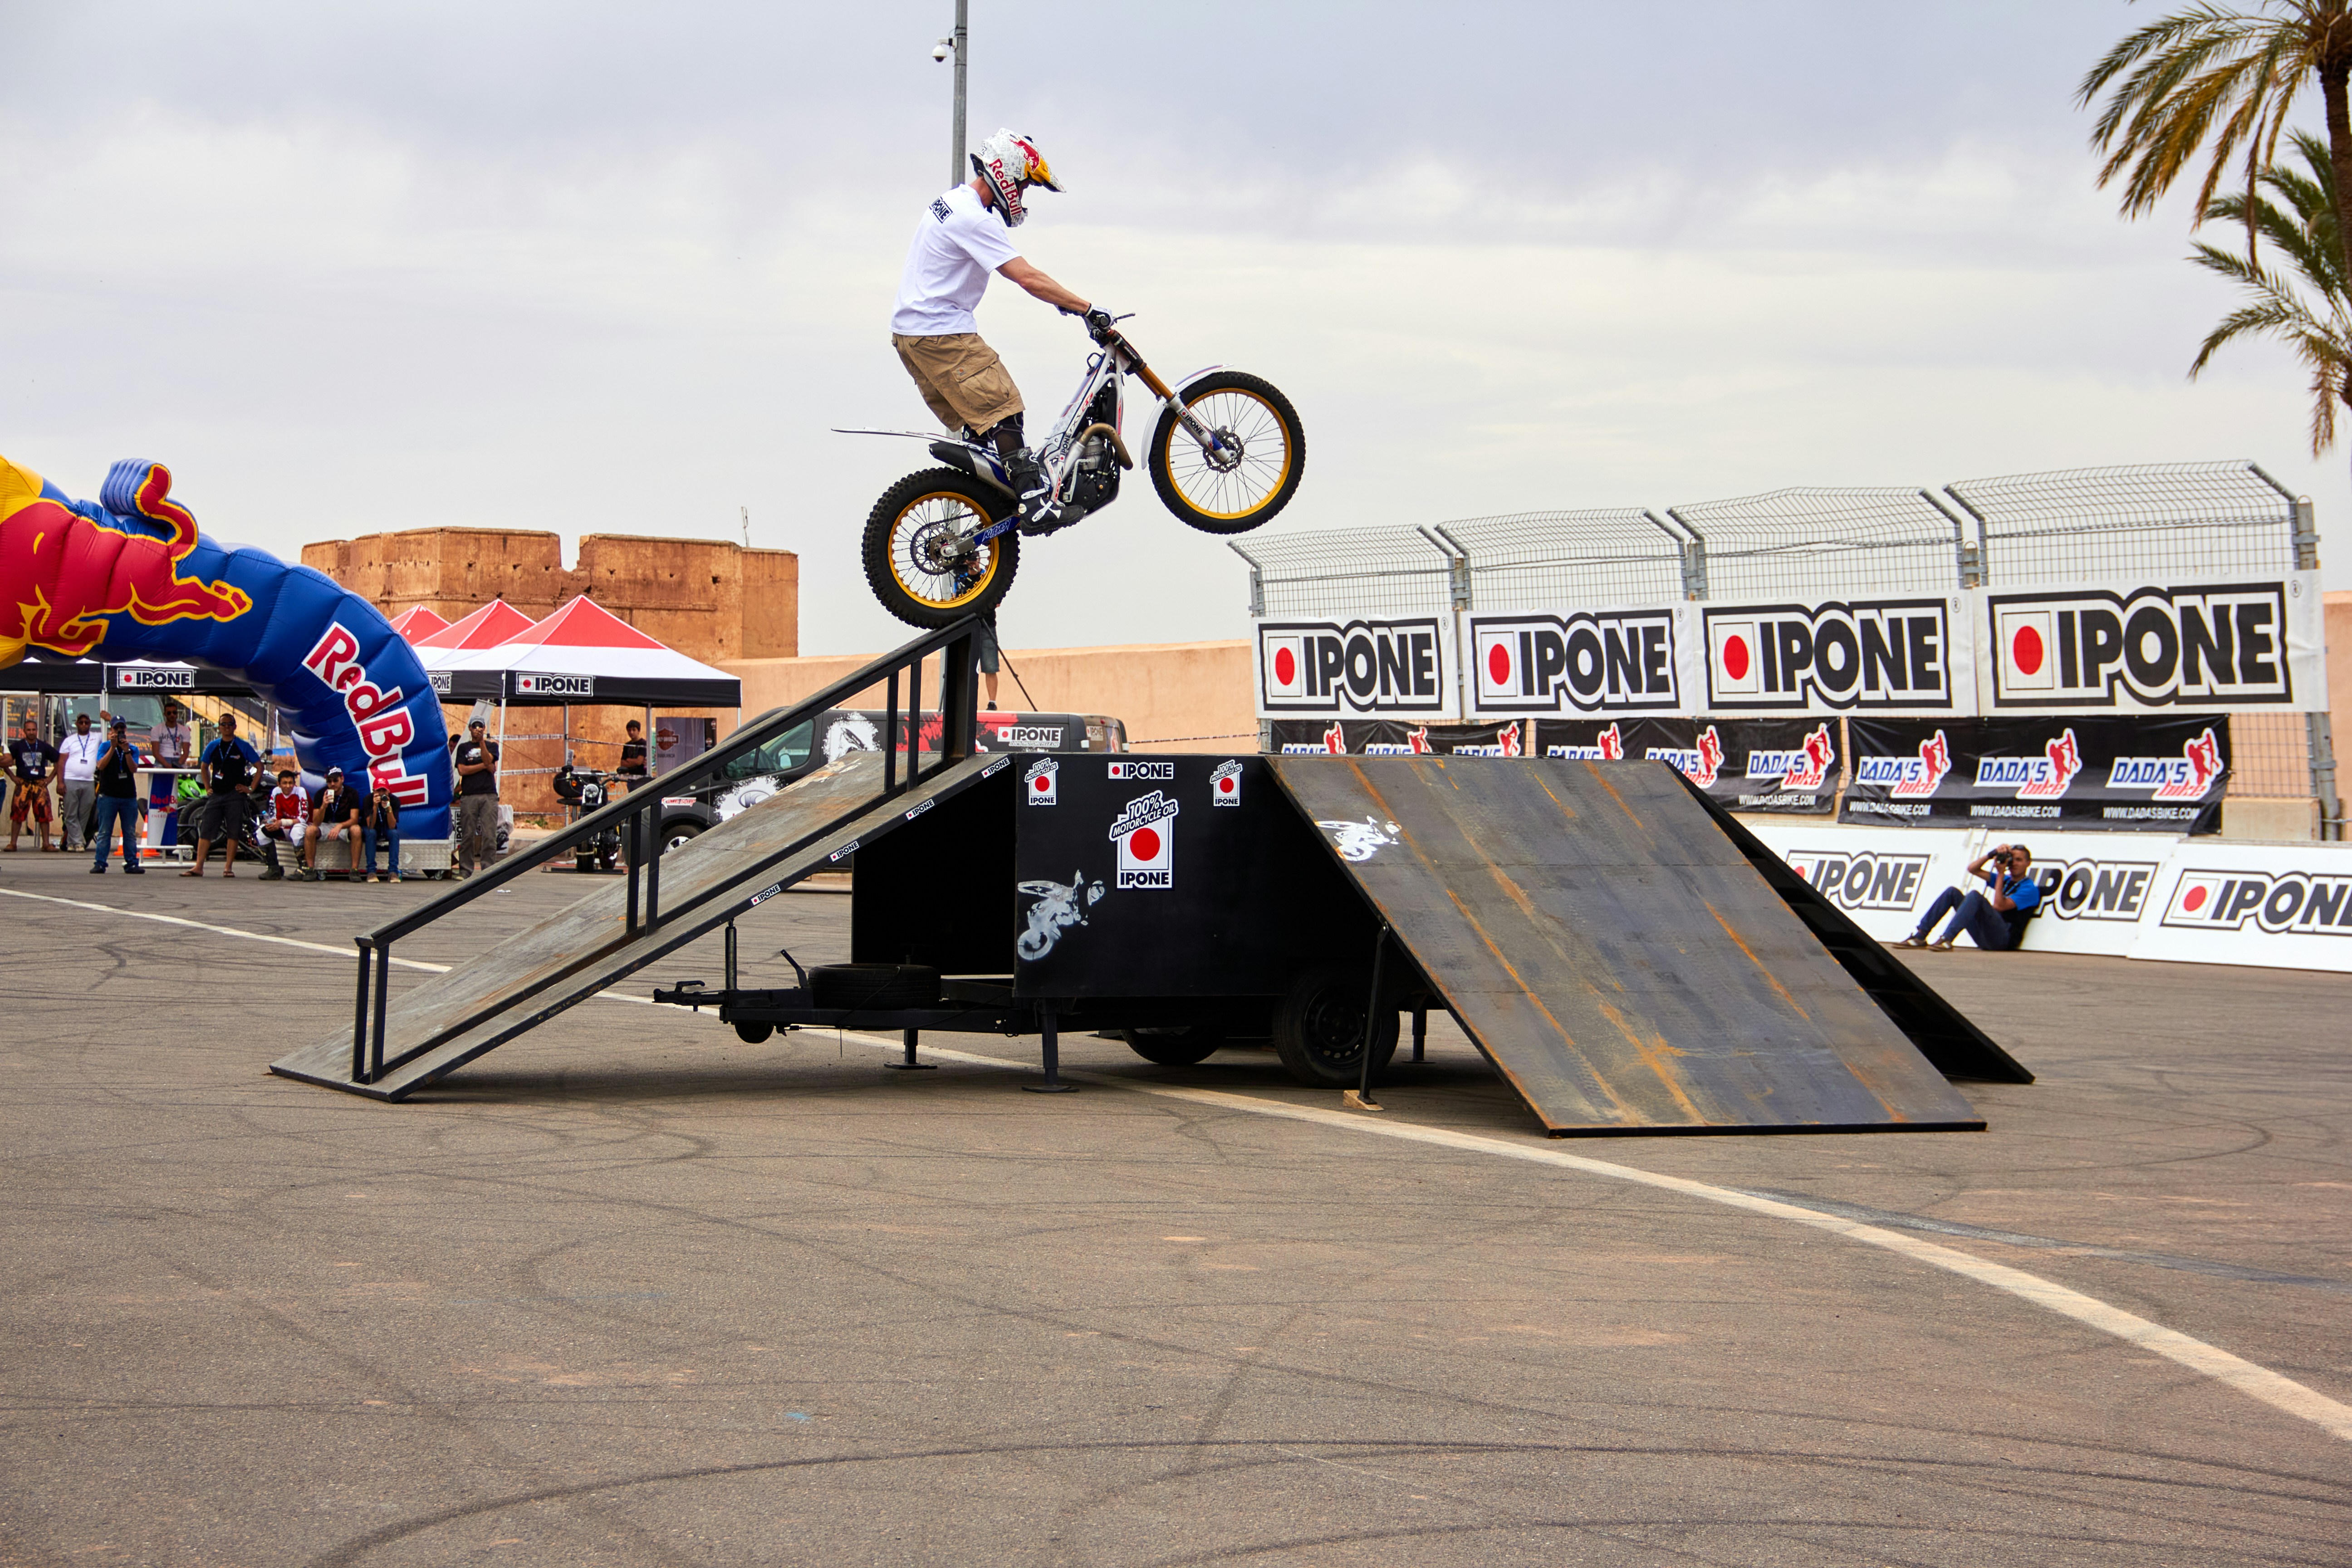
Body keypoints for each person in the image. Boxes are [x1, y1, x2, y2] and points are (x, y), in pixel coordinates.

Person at [892, 127, 1103, 531]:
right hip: (940, 334)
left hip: (910, 335)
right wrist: (1086, 308)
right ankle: (1036, 504)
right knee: (1004, 409)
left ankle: (982, 521)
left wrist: (1062, 301)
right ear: (1005, 171)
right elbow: (1026, 277)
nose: (1023, 195)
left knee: (984, 434)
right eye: (1024, 184)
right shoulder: (974, 219)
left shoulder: (952, 202)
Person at [1898, 843, 2043, 952]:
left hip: (2003, 940)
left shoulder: (2029, 889)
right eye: (2012, 860)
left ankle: (1947, 939)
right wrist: (1992, 854)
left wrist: (2000, 874)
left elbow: (1999, 906)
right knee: (1952, 892)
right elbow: (1972, 869)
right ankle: (1920, 935)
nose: (2014, 864)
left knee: (1974, 896)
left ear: (2028, 863)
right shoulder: (2005, 880)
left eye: (2019, 860)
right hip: (1986, 936)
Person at [185, 711, 260, 877]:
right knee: (206, 829)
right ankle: (199, 867)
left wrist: (251, 788)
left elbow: (259, 766)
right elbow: (204, 766)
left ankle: (228, 868)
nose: (227, 727)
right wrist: (207, 786)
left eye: (230, 724)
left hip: (235, 795)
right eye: (223, 724)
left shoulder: (242, 745)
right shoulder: (213, 746)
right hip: (217, 794)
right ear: (219, 728)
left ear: (235, 727)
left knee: (233, 831)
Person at [89, 717, 145, 873]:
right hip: (108, 795)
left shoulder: (133, 749)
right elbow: (100, 765)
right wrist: (113, 748)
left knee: (129, 831)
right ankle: (100, 862)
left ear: (126, 730)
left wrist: (126, 751)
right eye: (116, 729)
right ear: (112, 731)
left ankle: (132, 863)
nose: (119, 732)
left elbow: (134, 769)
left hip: (128, 796)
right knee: (105, 831)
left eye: (122, 729)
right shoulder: (105, 746)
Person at [450, 719, 500, 877]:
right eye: (474, 726)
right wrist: (485, 767)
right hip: (469, 795)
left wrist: (482, 743)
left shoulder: (492, 746)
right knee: (467, 835)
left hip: (488, 795)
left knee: (490, 835)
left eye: (480, 726)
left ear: (484, 728)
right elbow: (463, 770)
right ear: (470, 728)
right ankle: (465, 870)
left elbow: (488, 759)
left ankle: (488, 871)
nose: (477, 729)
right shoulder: (464, 748)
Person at [7, 712, 60, 852]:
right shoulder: (17, 746)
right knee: (17, 814)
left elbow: (59, 761)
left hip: (39, 784)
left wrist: (50, 779)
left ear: (37, 731)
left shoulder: (44, 746)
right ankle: (13, 843)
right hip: (23, 783)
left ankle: (46, 844)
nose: (31, 732)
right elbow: (5, 761)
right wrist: (12, 777)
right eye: (29, 730)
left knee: (44, 814)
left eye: (34, 730)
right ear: (24, 731)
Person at [304, 767, 362, 881]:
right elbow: (316, 822)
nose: (332, 784)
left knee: (357, 830)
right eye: (329, 781)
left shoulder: (352, 793)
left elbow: (354, 819)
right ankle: (310, 869)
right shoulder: (321, 794)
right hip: (325, 825)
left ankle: (354, 870)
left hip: (344, 826)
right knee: (310, 830)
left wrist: (340, 826)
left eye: (336, 781)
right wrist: (323, 806)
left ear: (342, 779)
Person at [57, 711, 103, 852]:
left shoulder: (97, 737)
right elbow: (61, 762)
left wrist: (107, 718)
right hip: (71, 780)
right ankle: (79, 842)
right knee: (70, 814)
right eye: (81, 722)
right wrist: (60, 782)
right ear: (77, 724)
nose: (84, 725)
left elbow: (111, 733)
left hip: (88, 781)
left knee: (84, 813)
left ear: (90, 724)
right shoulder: (69, 740)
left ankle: (73, 842)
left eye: (87, 722)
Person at [259, 770, 310, 879]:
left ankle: (304, 868)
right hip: (285, 828)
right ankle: (273, 869)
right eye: (285, 783)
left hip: (303, 827)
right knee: (261, 832)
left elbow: (304, 818)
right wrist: (271, 824)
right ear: (279, 784)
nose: (288, 786)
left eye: (291, 783)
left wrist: (282, 822)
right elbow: (274, 816)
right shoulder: (276, 792)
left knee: (297, 831)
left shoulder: (301, 791)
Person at [359, 782, 403, 883]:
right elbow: (371, 825)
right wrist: (375, 806)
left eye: (384, 790)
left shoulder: (395, 800)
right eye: (379, 790)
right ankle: (371, 871)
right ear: (374, 791)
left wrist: (388, 808)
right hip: (372, 827)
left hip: (386, 828)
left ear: (389, 791)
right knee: (371, 833)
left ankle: (393, 871)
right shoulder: (368, 799)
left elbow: (392, 826)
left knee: (394, 834)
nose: (381, 793)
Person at [617, 721, 649, 788]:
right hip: (631, 779)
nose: (631, 732)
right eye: (629, 730)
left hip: (642, 778)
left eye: (634, 730)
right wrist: (635, 761)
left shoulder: (644, 744)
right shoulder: (627, 745)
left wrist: (629, 760)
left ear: (639, 731)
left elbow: (639, 762)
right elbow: (623, 763)